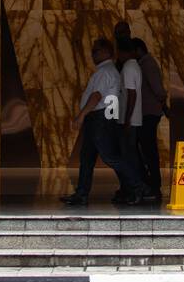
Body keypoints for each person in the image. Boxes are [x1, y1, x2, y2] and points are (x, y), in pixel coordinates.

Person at [61, 37, 147, 207]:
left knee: (110, 157)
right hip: (102, 118)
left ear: (107, 52)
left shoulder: (104, 71)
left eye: (96, 51)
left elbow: (96, 96)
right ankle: (81, 193)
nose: (92, 55)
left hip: (100, 119)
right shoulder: (108, 70)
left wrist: (81, 115)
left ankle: (138, 187)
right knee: (87, 158)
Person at [133, 37, 167, 201]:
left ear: (138, 50)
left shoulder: (147, 64)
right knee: (146, 148)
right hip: (147, 112)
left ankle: (154, 185)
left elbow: (158, 89)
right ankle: (150, 183)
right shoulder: (145, 64)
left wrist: (161, 102)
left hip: (149, 113)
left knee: (148, 149)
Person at [113, 36, 143, 203]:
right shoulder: (134, 66)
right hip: (132, 119)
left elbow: (131, 94)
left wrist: (127, 118)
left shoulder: (129, 67)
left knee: (128, 156)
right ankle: (132, 189)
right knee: (129, 155)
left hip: (130, 120)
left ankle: (135, 190)